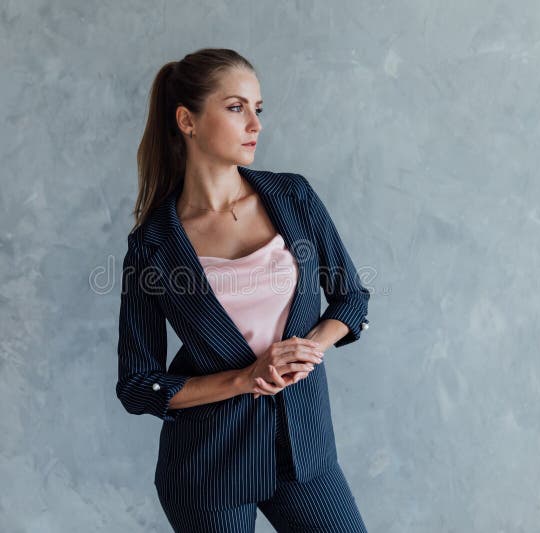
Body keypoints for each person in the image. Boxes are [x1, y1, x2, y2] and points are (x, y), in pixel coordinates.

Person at [116, 48, 371, 532]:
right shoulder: (153, 246)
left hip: (305, 452)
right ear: (187, 121)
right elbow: (137, 384)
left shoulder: (292, 197)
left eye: (259, 108)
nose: (255, 123)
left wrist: (307, 349)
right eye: (236, 108)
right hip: (209, 469)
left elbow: (351, 297)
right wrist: (245, 378)